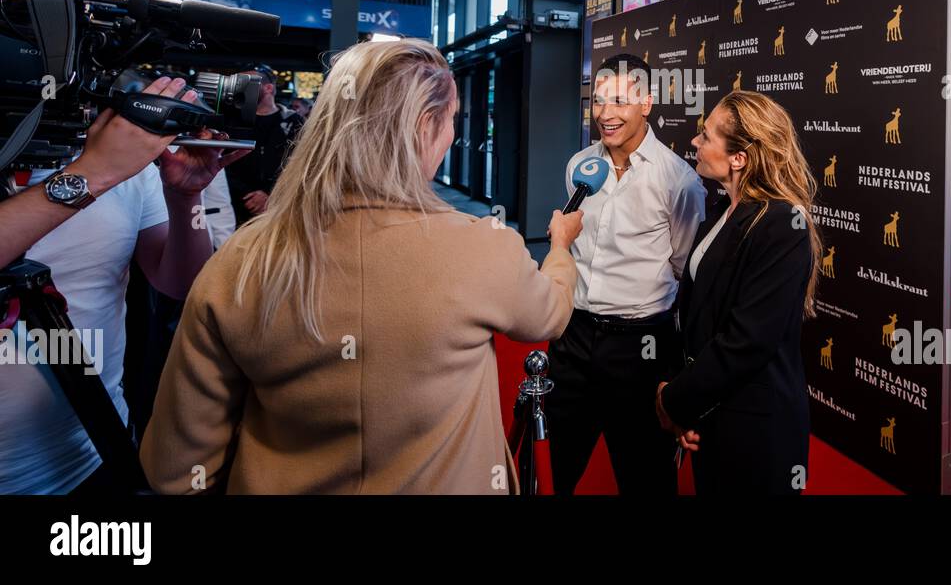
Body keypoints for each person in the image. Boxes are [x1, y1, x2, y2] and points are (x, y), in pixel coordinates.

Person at [140, 39, 584, 494]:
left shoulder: (240, 260)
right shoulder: (483, 247)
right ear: (425, 126)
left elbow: (174, 469)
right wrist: (561, 249)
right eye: (450, 119)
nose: (452, 135)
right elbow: (547, 315)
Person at [0, 76, 248, 494]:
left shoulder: (125, 164)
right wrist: (92, 174)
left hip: (92, 451)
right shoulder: (107, 162)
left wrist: (186, 198)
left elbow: (180, 283)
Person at [548, 53, 705, 495]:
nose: (605, 114)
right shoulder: (578, 165)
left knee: (646, 477)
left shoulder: (679, 181)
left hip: (641, 348)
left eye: (619, 100)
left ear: (647, 103)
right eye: (598, 101)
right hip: (571, 337)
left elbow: (681, 266)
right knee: (554, 466)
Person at [655, 90, 820, 495]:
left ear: (739, 158)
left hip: (756, 429)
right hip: (711, 415)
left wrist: (672, 401)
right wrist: (687, 404)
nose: (695, 142)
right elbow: (698, 318)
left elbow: (746, 342)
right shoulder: (720, 212)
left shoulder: (782, 226)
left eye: (706, 136)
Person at [224, 64, 304, 225]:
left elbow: (301, 163)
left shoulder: (293, 122)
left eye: (247, 82)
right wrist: (247, 194)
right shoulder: (230, 122)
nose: (241, 86)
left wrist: (270, 193)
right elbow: (221, 163)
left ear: (268, 88)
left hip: (280, 206)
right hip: (234, 206)